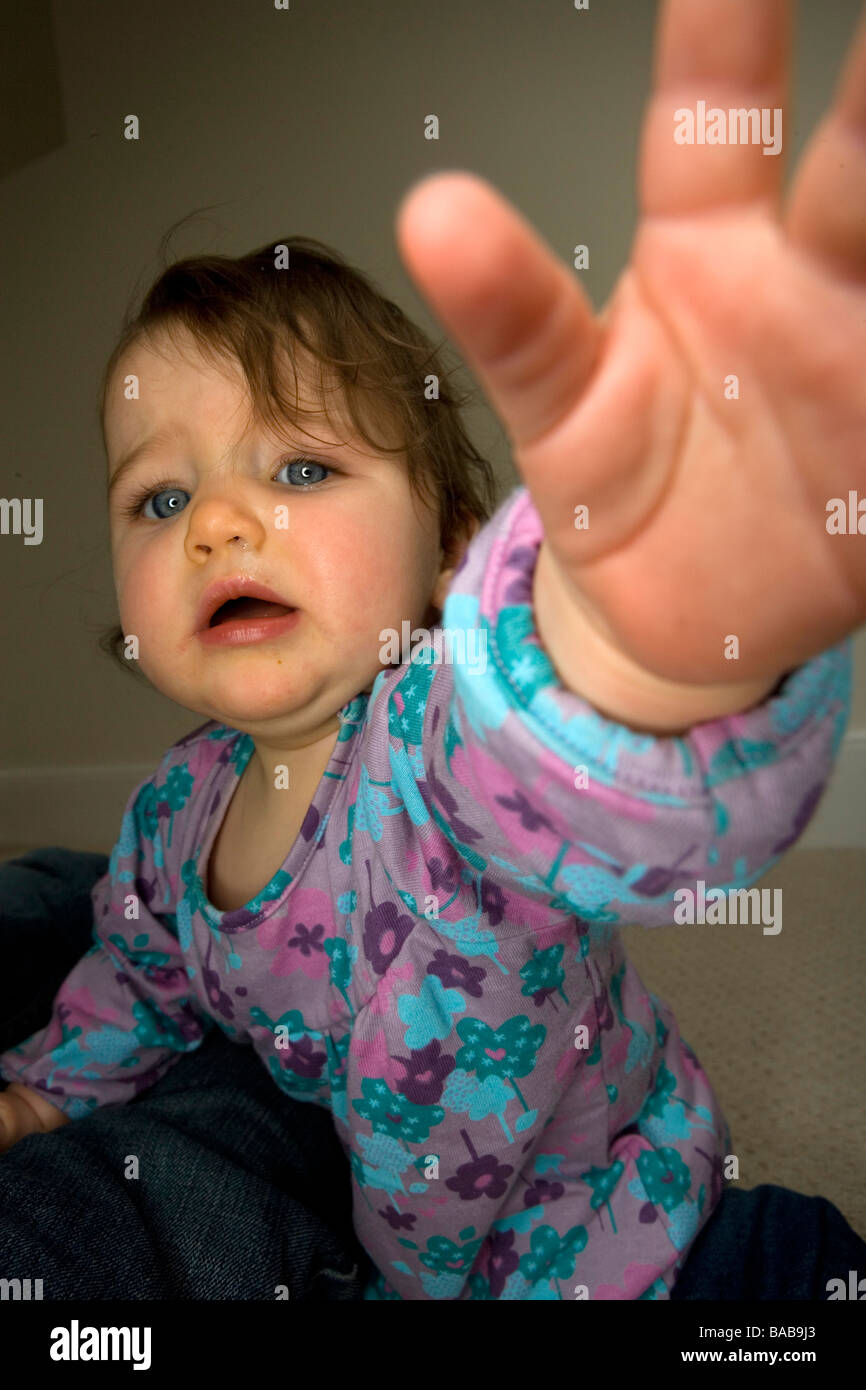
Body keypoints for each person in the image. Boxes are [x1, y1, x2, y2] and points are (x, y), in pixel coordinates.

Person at [2, 0, 866, 1300]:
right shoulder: (176, 811)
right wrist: (44, 1094)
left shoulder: (443, 733)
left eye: (300, 467)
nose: (218, 521)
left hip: (632, 1239)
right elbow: (138, 981)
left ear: (455, 551)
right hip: (393, 1237)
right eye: (160, 498)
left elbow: (576, 768)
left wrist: (653, 657)